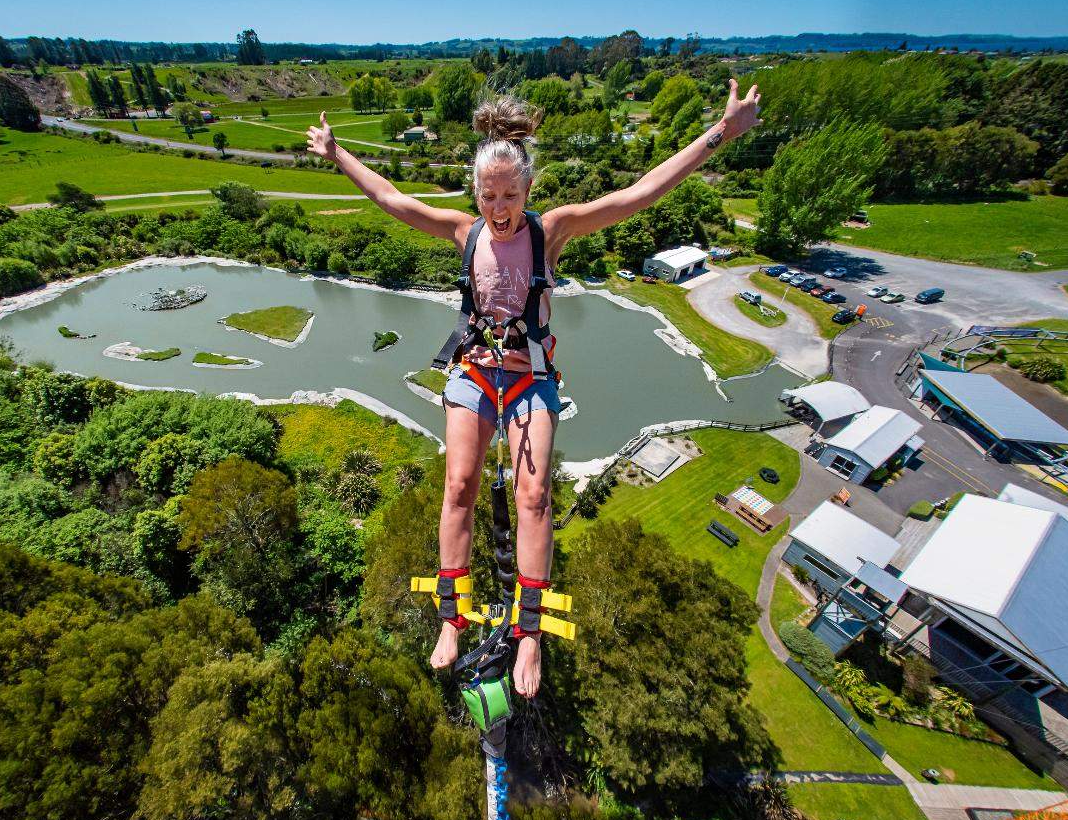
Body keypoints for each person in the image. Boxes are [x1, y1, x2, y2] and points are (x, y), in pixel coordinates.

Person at [307, 79, 761, 698]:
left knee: (534, 495)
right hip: (473, 371)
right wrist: (338, 156)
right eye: (489, 195)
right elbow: (392, 200)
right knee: (460, 484)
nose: (500, 207)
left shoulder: (553, 230)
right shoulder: (462, 232)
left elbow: (638, 195)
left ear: (528, 189)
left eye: (510, 194)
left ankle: (529, 636)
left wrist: (719, 134)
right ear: (476, 193)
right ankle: (452, 616)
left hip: (529, 380)